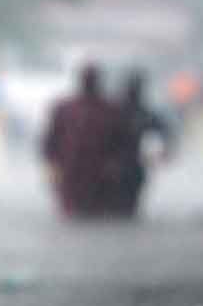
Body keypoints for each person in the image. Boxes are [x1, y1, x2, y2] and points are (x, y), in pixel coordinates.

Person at [41, 63, 125, 219]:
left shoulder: (110, 109)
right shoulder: (65, 108)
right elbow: (50, 139)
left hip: (98, 173)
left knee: (95, 213)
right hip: (71, 170)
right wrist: (52, 165)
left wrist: (115, 164)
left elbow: (120, 141)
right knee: (73, 212)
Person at [113, 69, 174, 218]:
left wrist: (163, 153)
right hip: (120, 167)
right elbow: (164, 131)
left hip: (130, 167)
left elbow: (164, 131)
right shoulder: (116, 112)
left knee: (125, 210)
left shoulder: (140, 113)